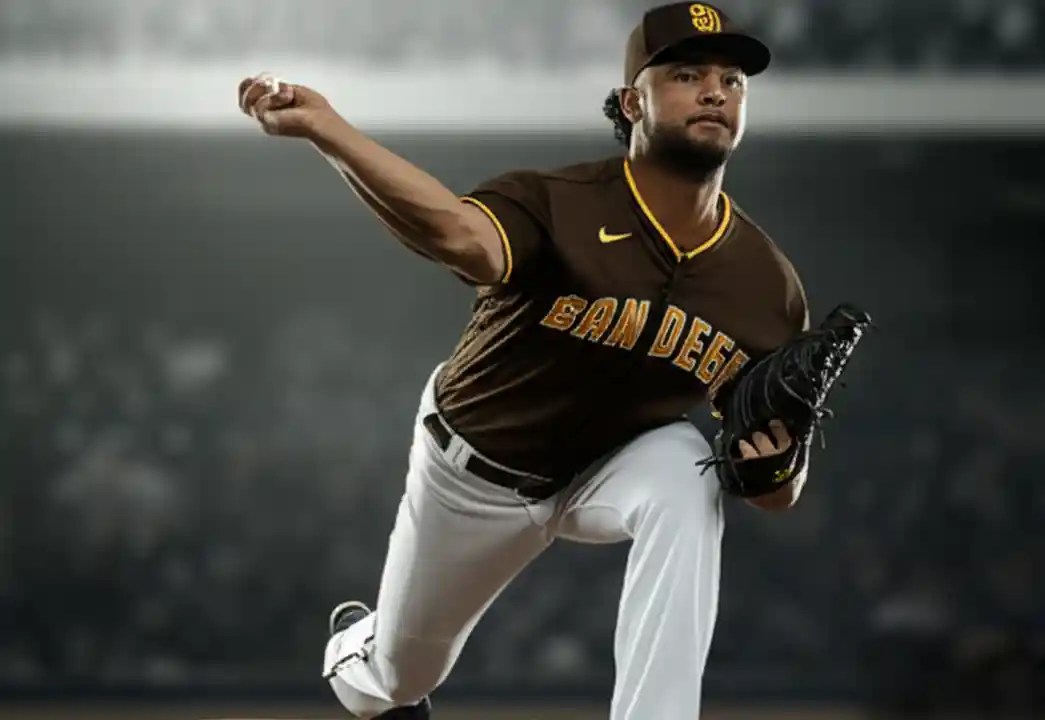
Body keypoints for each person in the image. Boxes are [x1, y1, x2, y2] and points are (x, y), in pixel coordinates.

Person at [237, 3, 813, 718]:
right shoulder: (559, 202)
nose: (715, 92)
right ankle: (361, 650)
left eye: (732, 80)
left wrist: (779, 466)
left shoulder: (768, 287)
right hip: (476, 469)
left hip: (613, 462)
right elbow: (455, 234)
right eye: (687, 74)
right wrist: (328, 130)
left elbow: (775, 491)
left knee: (687, 482)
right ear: (633, 101)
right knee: (397, 682)